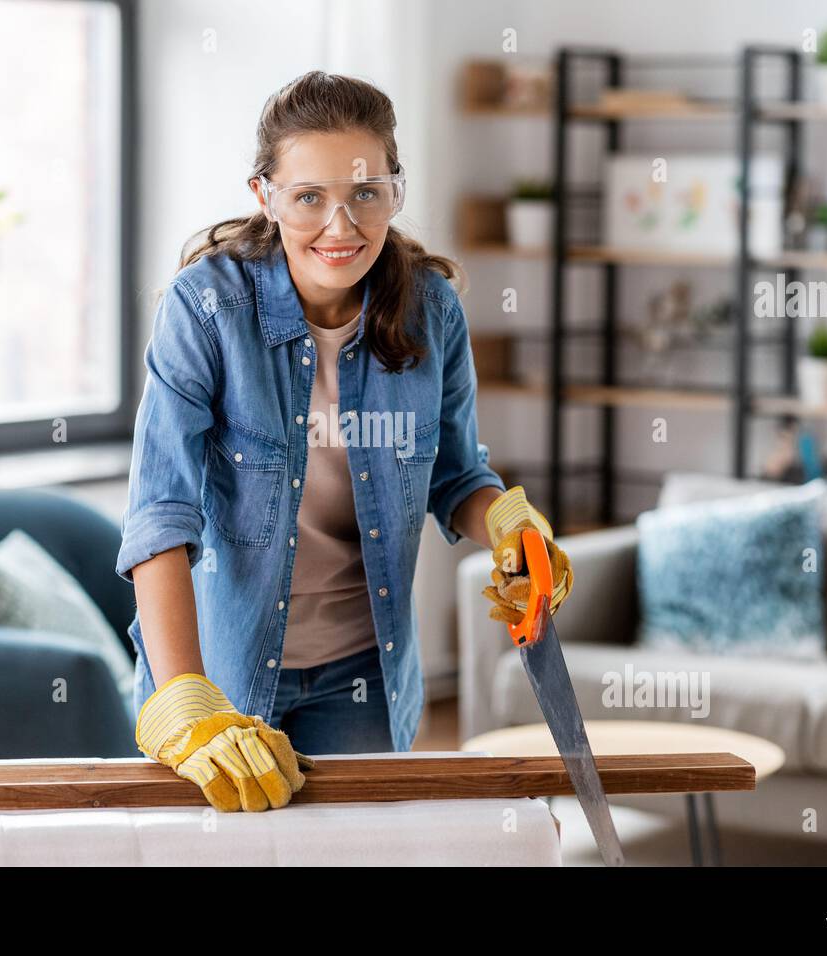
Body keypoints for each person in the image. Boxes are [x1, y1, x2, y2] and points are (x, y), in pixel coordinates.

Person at [117, 71, 572, 812]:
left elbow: (456, 475)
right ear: (264, 195)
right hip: (218, 672)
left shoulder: (432, 310)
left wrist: (505, 524)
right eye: (309, 198)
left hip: (363, 671)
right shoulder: (205, 310)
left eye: (366, 193)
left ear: (395, 190)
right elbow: (160, 517)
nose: (342, 225)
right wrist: (185, 701)